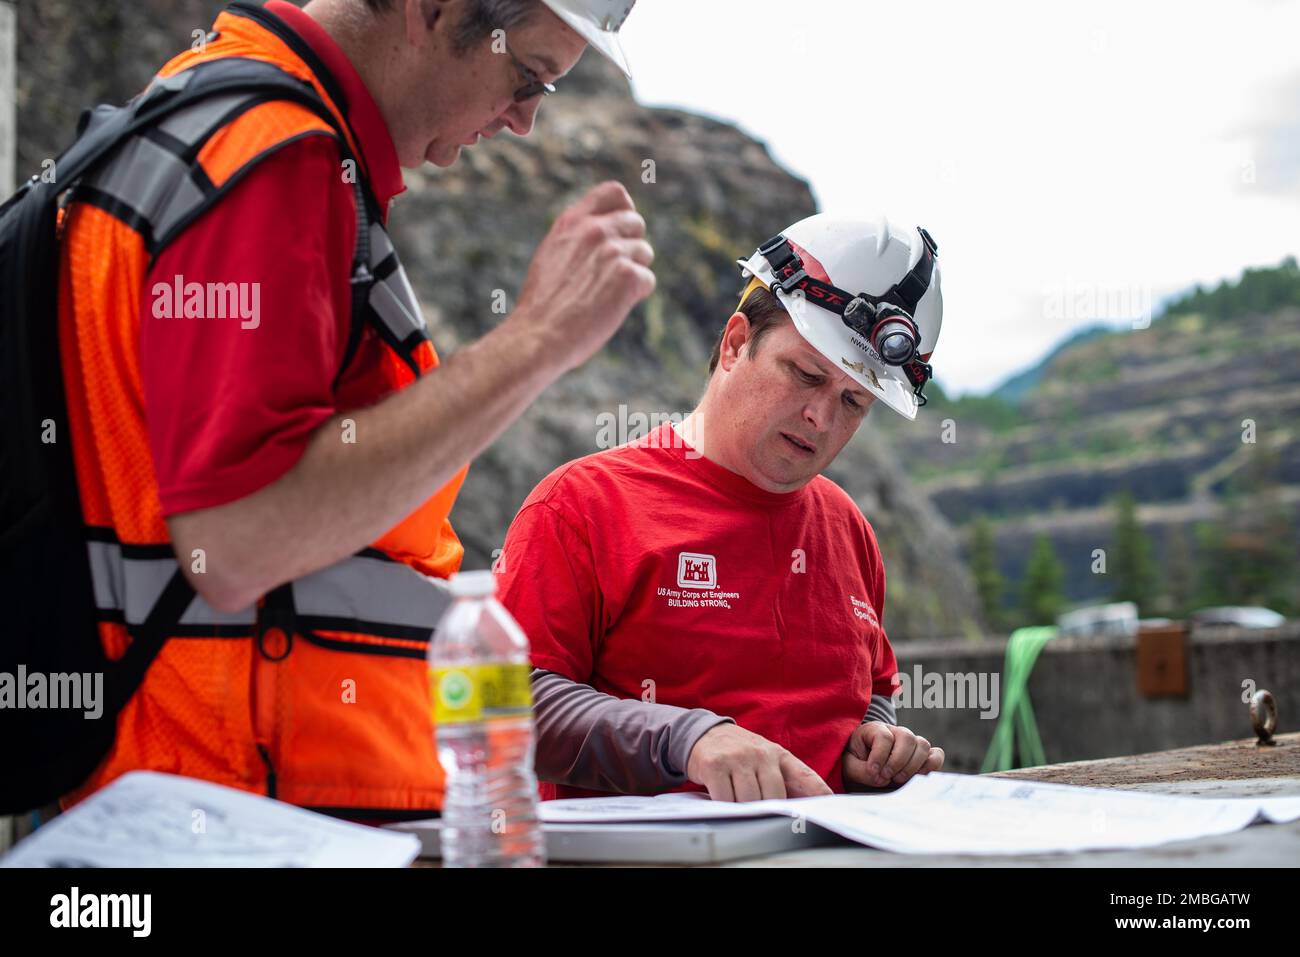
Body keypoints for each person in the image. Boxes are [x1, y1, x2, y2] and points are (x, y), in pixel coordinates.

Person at [56, 0, 651, 818]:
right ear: (431, 9)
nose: (523, 122)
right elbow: (236, 539)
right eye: (526, 77)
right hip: (236, 816)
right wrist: (537, 340)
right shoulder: (269, 153)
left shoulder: (214, 117)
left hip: (201, 798)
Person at [496, 212, 947, 802]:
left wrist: (874, 739)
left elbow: (870, 690)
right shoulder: (580, 507)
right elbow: (504, 702)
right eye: (806, 375)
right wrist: (685, 740)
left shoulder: (849, 529)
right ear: (736, 344)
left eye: (853, 401)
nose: (822, 418)